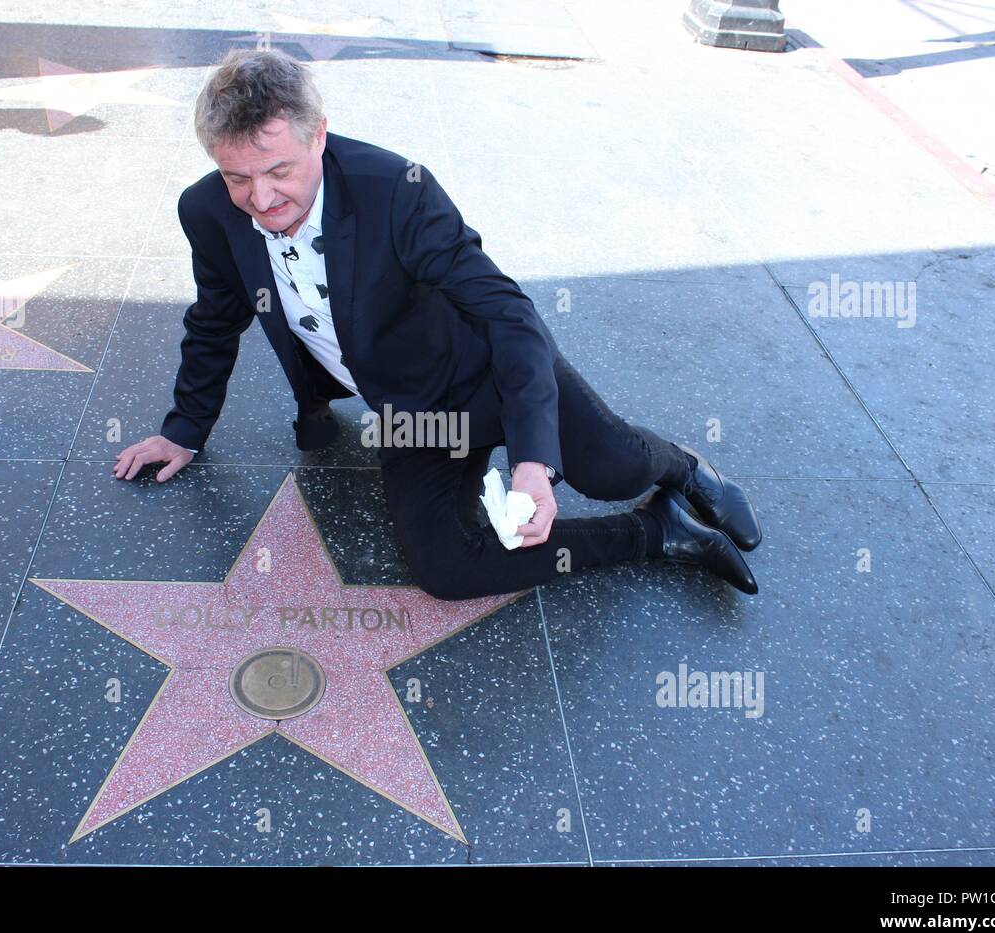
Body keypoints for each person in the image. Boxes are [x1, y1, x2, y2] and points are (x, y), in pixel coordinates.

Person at [114, 48, 762, 600]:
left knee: (611, 472)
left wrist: (535, 463)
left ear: (319, 135)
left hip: (488, 370)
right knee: (444, 568)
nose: (261, 199)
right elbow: (214, 319)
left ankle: (680, 467)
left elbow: (509, 315)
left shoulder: (395, 189)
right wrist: (184, 430)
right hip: (415, 411)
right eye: (238, 177)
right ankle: (662, 532)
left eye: (279, 171)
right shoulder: (205, 211)